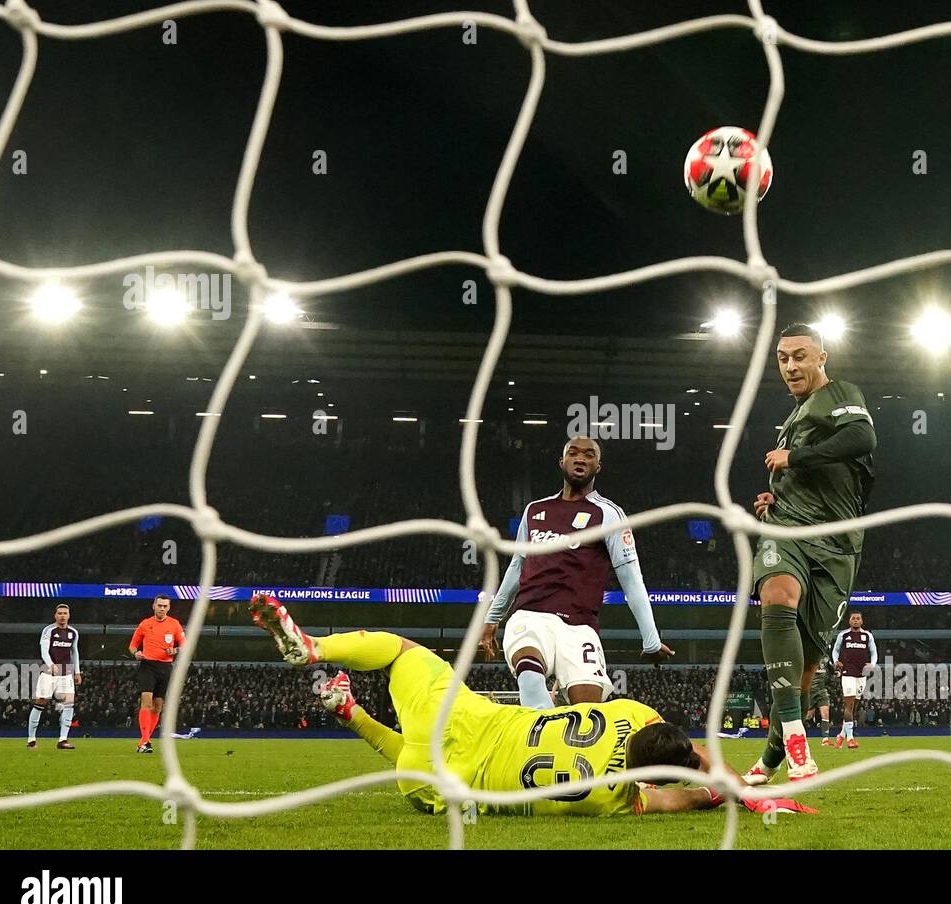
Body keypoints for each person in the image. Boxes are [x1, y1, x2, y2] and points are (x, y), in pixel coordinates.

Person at [250, 594, 813, 817]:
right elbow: (684, 797)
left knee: (402, 652)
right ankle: (352, 715)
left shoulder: (627, 713)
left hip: (474, 717)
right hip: (450, 783)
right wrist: (734, 799)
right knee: (410, 759)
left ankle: (316, 648)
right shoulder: (610, 798)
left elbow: (697, 754)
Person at [745, 323, 876, 784]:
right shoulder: (793, 420)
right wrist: (774, 496)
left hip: (838, 545)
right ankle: (799, 745)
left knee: (807, 664)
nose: (790, 365)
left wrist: (793, 460)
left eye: (800, 355)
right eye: (782, 358)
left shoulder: (839, 393)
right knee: (776, 598)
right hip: (786, 530)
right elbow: (802, 470)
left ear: (822, 357)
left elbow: (861, 439)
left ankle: (770, 758)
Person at [479, 437, 673, 709]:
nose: (580, 458)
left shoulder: (608, 515)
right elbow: (517, 565)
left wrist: (651, 640)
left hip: (579, 626)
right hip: (531, 615)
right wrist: (493, 617)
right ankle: (543, 732)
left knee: (587, 713)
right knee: (530, 672)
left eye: (589, 454)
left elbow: (632, 580)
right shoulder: (535, 510)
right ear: (562, 461)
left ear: (598, 466)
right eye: (573, 452)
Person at [129, 594, 185, 753]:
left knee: (158, 706)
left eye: (165, 606)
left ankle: (143, 742)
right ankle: (145, 741)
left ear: (169, 607)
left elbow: (184, 645)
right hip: (148, 665)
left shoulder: (174, 624)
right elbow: (132, 645)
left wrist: (174, 650)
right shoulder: (145, 624)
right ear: (153, 606)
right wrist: (136, 653)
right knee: (146, 702)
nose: (162, 608)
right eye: (159, 605)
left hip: (165, 667)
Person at [27, 604, 81, 750]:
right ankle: (31, 739)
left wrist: (77, 672)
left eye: (65, 613)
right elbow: (44, 650)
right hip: (48, 672)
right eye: (60, 613)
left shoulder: (73, 633)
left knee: (69, 704)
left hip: (66, 672)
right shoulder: (49, 630)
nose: (62, 616)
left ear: (69, 615)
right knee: (40, 703)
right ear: (55, 615)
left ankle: (63, 739)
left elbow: (74, 652)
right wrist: (50, 664)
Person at [831, 610, 877, 749]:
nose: (856, 620)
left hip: (861, 674)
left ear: (861, 621)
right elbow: (835, 650)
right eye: (853, 618)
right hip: (848, 672)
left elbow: (874, 652)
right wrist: (836, 661)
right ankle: (850, 739)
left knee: (854, 708)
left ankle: (841, 735)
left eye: (858, 618)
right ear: (849, 621)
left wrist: (872, 664)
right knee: (849, 706)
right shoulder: (843, 635)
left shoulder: (867, 635)